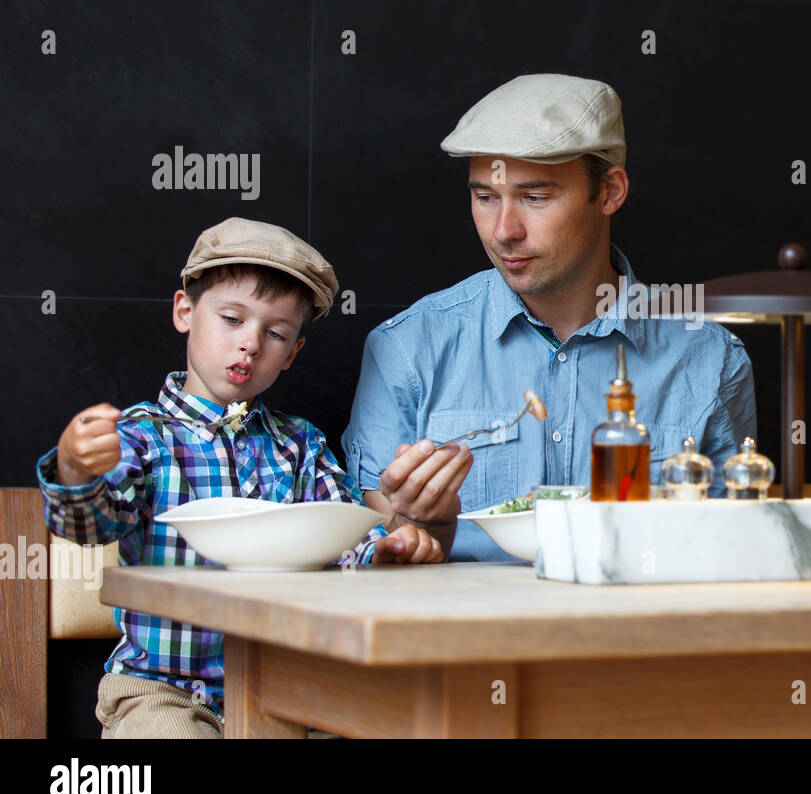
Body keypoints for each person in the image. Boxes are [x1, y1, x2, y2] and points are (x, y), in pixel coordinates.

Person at [36, 218, 438, 739]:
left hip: (286, 686)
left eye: (275, 333)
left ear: (292, 353)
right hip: (163, 689)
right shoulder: (143, 438)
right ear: (185, 311)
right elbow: (91, 526)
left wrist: (382, 552)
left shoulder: (300, 445)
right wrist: (74, 469)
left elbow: (347, 531)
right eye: (231, 318)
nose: (250, 343)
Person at [342, 73, 757, 562]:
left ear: (610, 192)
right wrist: (419, 524)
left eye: (535, 198)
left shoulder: (710, 359)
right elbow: (372, 552)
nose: (504, 231)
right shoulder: (408, 347)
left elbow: (734, 545)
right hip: (465, 634)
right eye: (485, 197)